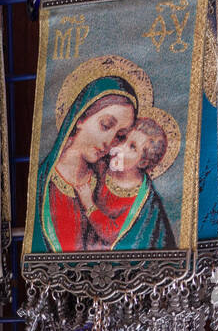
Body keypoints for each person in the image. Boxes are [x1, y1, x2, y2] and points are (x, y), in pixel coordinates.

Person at [30, 75, 175, 253]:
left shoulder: (124, 187)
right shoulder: (41, 186)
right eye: (106, 125)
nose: (110, 142)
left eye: (120, 135)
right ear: (81, 117)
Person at [87, 118, 176, 250]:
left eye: (132, 147)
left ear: (143, 162)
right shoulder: (100, 167)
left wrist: (87, 203)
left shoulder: (142, 200)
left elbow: (113, 234)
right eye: (123, 139)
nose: (120, 147)